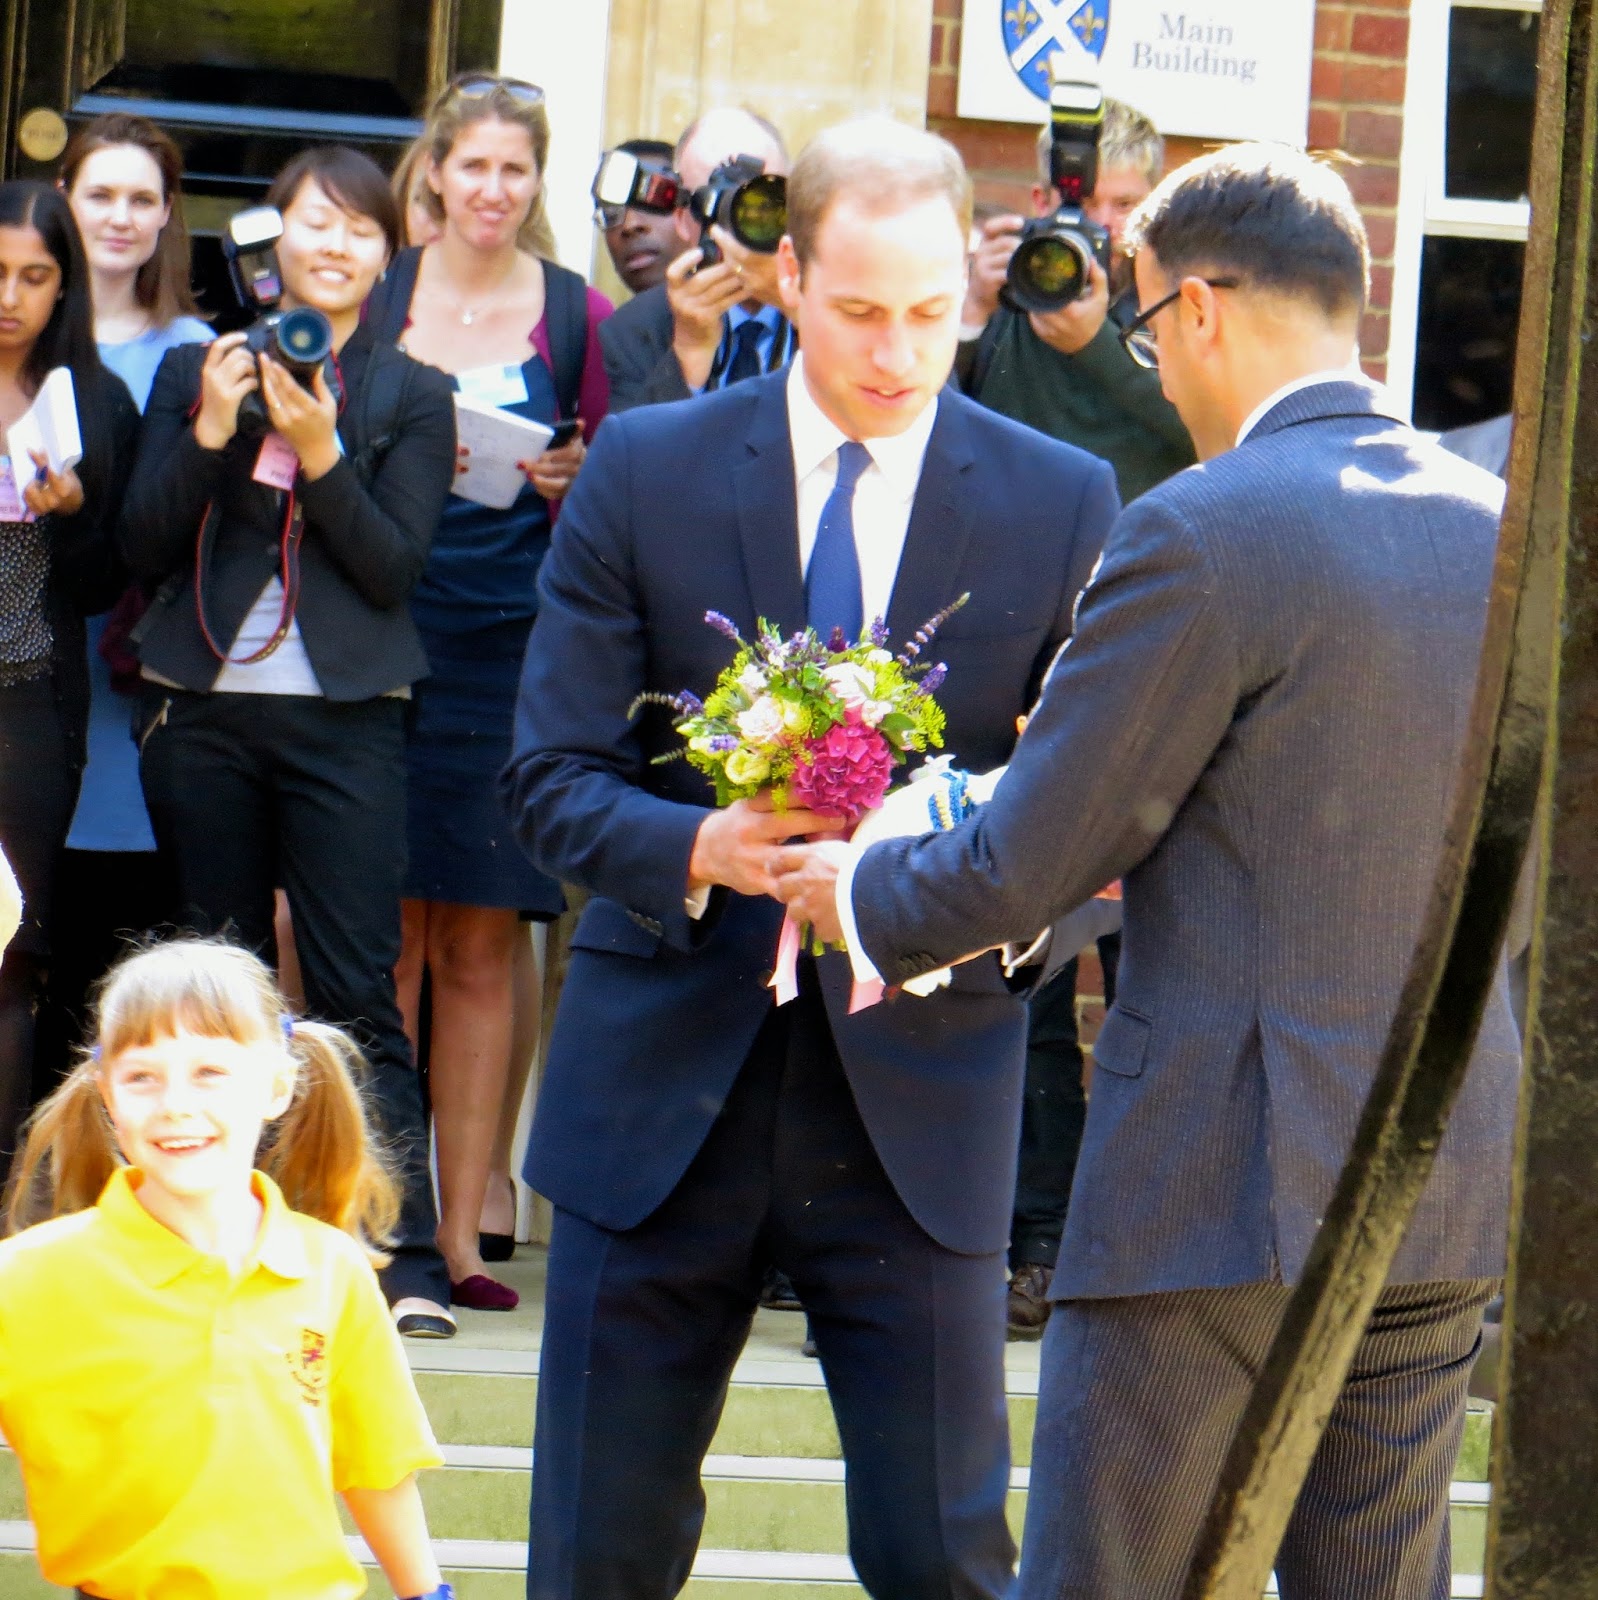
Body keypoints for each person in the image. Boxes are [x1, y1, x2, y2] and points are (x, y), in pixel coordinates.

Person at [773, 143, 1517, 1600]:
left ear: (1197, 310)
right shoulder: (1503, 536)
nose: (1155, 375)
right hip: (1441, 1177)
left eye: (1142, 327)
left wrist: (856, 893)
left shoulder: (1197, 527)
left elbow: (1035, 855)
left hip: (1214, 1187)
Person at [501, 116, 1118, 1600]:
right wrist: (697, 842)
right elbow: (544, 775)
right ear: (786, 274)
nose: (896, 351)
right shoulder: (644, 469)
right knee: (596, 1556)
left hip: (923, 1109)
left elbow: (1087, 826)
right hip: (652, 1099)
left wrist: (979, 901)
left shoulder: (1060, 499)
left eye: (928, 314)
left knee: (941, 1559)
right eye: (856, 311)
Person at [120, 144, 459, 1338]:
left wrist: (318, 453)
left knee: (361, 984)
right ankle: (196, 1230)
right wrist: (214, 426)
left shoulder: (413, 393)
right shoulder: (192, 368)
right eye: (313, 223)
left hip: (346, 721)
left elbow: (393, 566)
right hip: (202, 713)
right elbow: (138, 550)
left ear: (387, 252)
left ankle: (395, 1252)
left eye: (359, 230)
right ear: (275, 237)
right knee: (207, 989)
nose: (334, 246)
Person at [364, 73, 612, 1313]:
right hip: (376, 638)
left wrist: (572, 472)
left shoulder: (577, 315)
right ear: (435, 173)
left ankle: (462, 1238)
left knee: (475, 945)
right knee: (382, 940)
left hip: (510, 650)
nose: (492, 191)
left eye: (515, 172)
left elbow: (621, 495)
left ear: (535, 182)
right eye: (473, 168)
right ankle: (377, 1221)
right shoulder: (378, 293)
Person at [0, 939, 453, 1600]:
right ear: (106, 1094)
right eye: (142, 1077)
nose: (175, 1104)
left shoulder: (330, 1271)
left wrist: (428, 1595)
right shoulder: (29, 1280)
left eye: (210, 1072)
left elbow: (376, 1468)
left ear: (277, 1085)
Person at [958, 97, 1190, 1342]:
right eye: (1073, 209)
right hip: (1018, 676)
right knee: (1032, 978)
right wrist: (968, 296)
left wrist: (1103, 331)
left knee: (1148, 971)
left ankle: (1142, 1242)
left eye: (1111, 212)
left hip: (1154, 673)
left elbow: (1191, 434)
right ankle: (1035, 1241)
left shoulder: (1176, 312)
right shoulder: (1011, 302)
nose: (1085, 237)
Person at [39, 115, 212, 1088]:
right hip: (28, 665)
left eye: (142, 197)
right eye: (100, 192)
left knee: (114, 957)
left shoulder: (193, 349)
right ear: (63, 199)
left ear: (165, 217)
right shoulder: (20, 334)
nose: (120, 215)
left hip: (138, 681)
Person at [0, 180, 141, 1162]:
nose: (10, 294)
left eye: (36, 276)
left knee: (11, 955)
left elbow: (105, 585)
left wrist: (73, 511)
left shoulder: (94, 398)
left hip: (29, 708)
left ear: (66, 288)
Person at [959, 97, 1193, 504]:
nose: (1102, 223)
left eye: (1125, 205)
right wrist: (972, 314)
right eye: (1084, 204)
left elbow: (1208, 431)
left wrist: (1094, 345)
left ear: (1153, 208)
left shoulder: (1178, 304)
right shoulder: (1007, 289)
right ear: (1041, 203)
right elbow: (933, 422)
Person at [599, 107, 795, 411]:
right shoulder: (635, 330)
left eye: (765, 201)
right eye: (722, 202)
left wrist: (794, 304)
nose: (747, 218)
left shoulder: (836, 305)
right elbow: (637, 456)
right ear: (682, 220)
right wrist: (688, 354)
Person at [596, 137, 689, 295]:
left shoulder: (741, 314)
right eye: (612, 213)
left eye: (654, 202)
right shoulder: (608, 319)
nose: (630, 225)